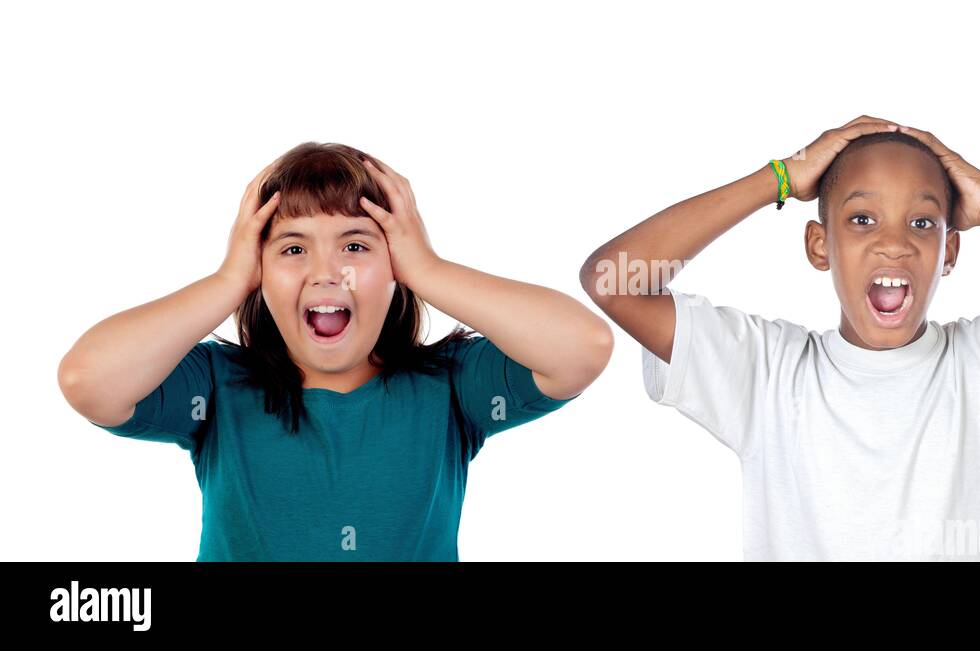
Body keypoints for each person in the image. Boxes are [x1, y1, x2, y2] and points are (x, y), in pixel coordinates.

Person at [580, 115, 980, 561]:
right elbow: (612, 280)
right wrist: (777, 178)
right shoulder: (767, 375)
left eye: (922, 221)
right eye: (861, 219)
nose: (894, 242)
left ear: (950, 251)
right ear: (819, 245)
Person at [59, 142, 613, 561]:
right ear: (259, 272)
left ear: (394, 264)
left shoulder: (450, 386)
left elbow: (581, 347)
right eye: (293, 248)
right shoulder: (216, 387)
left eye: (355, 245)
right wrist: (227, 280)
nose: (327, 271)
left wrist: (428, 269)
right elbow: (88, 380)